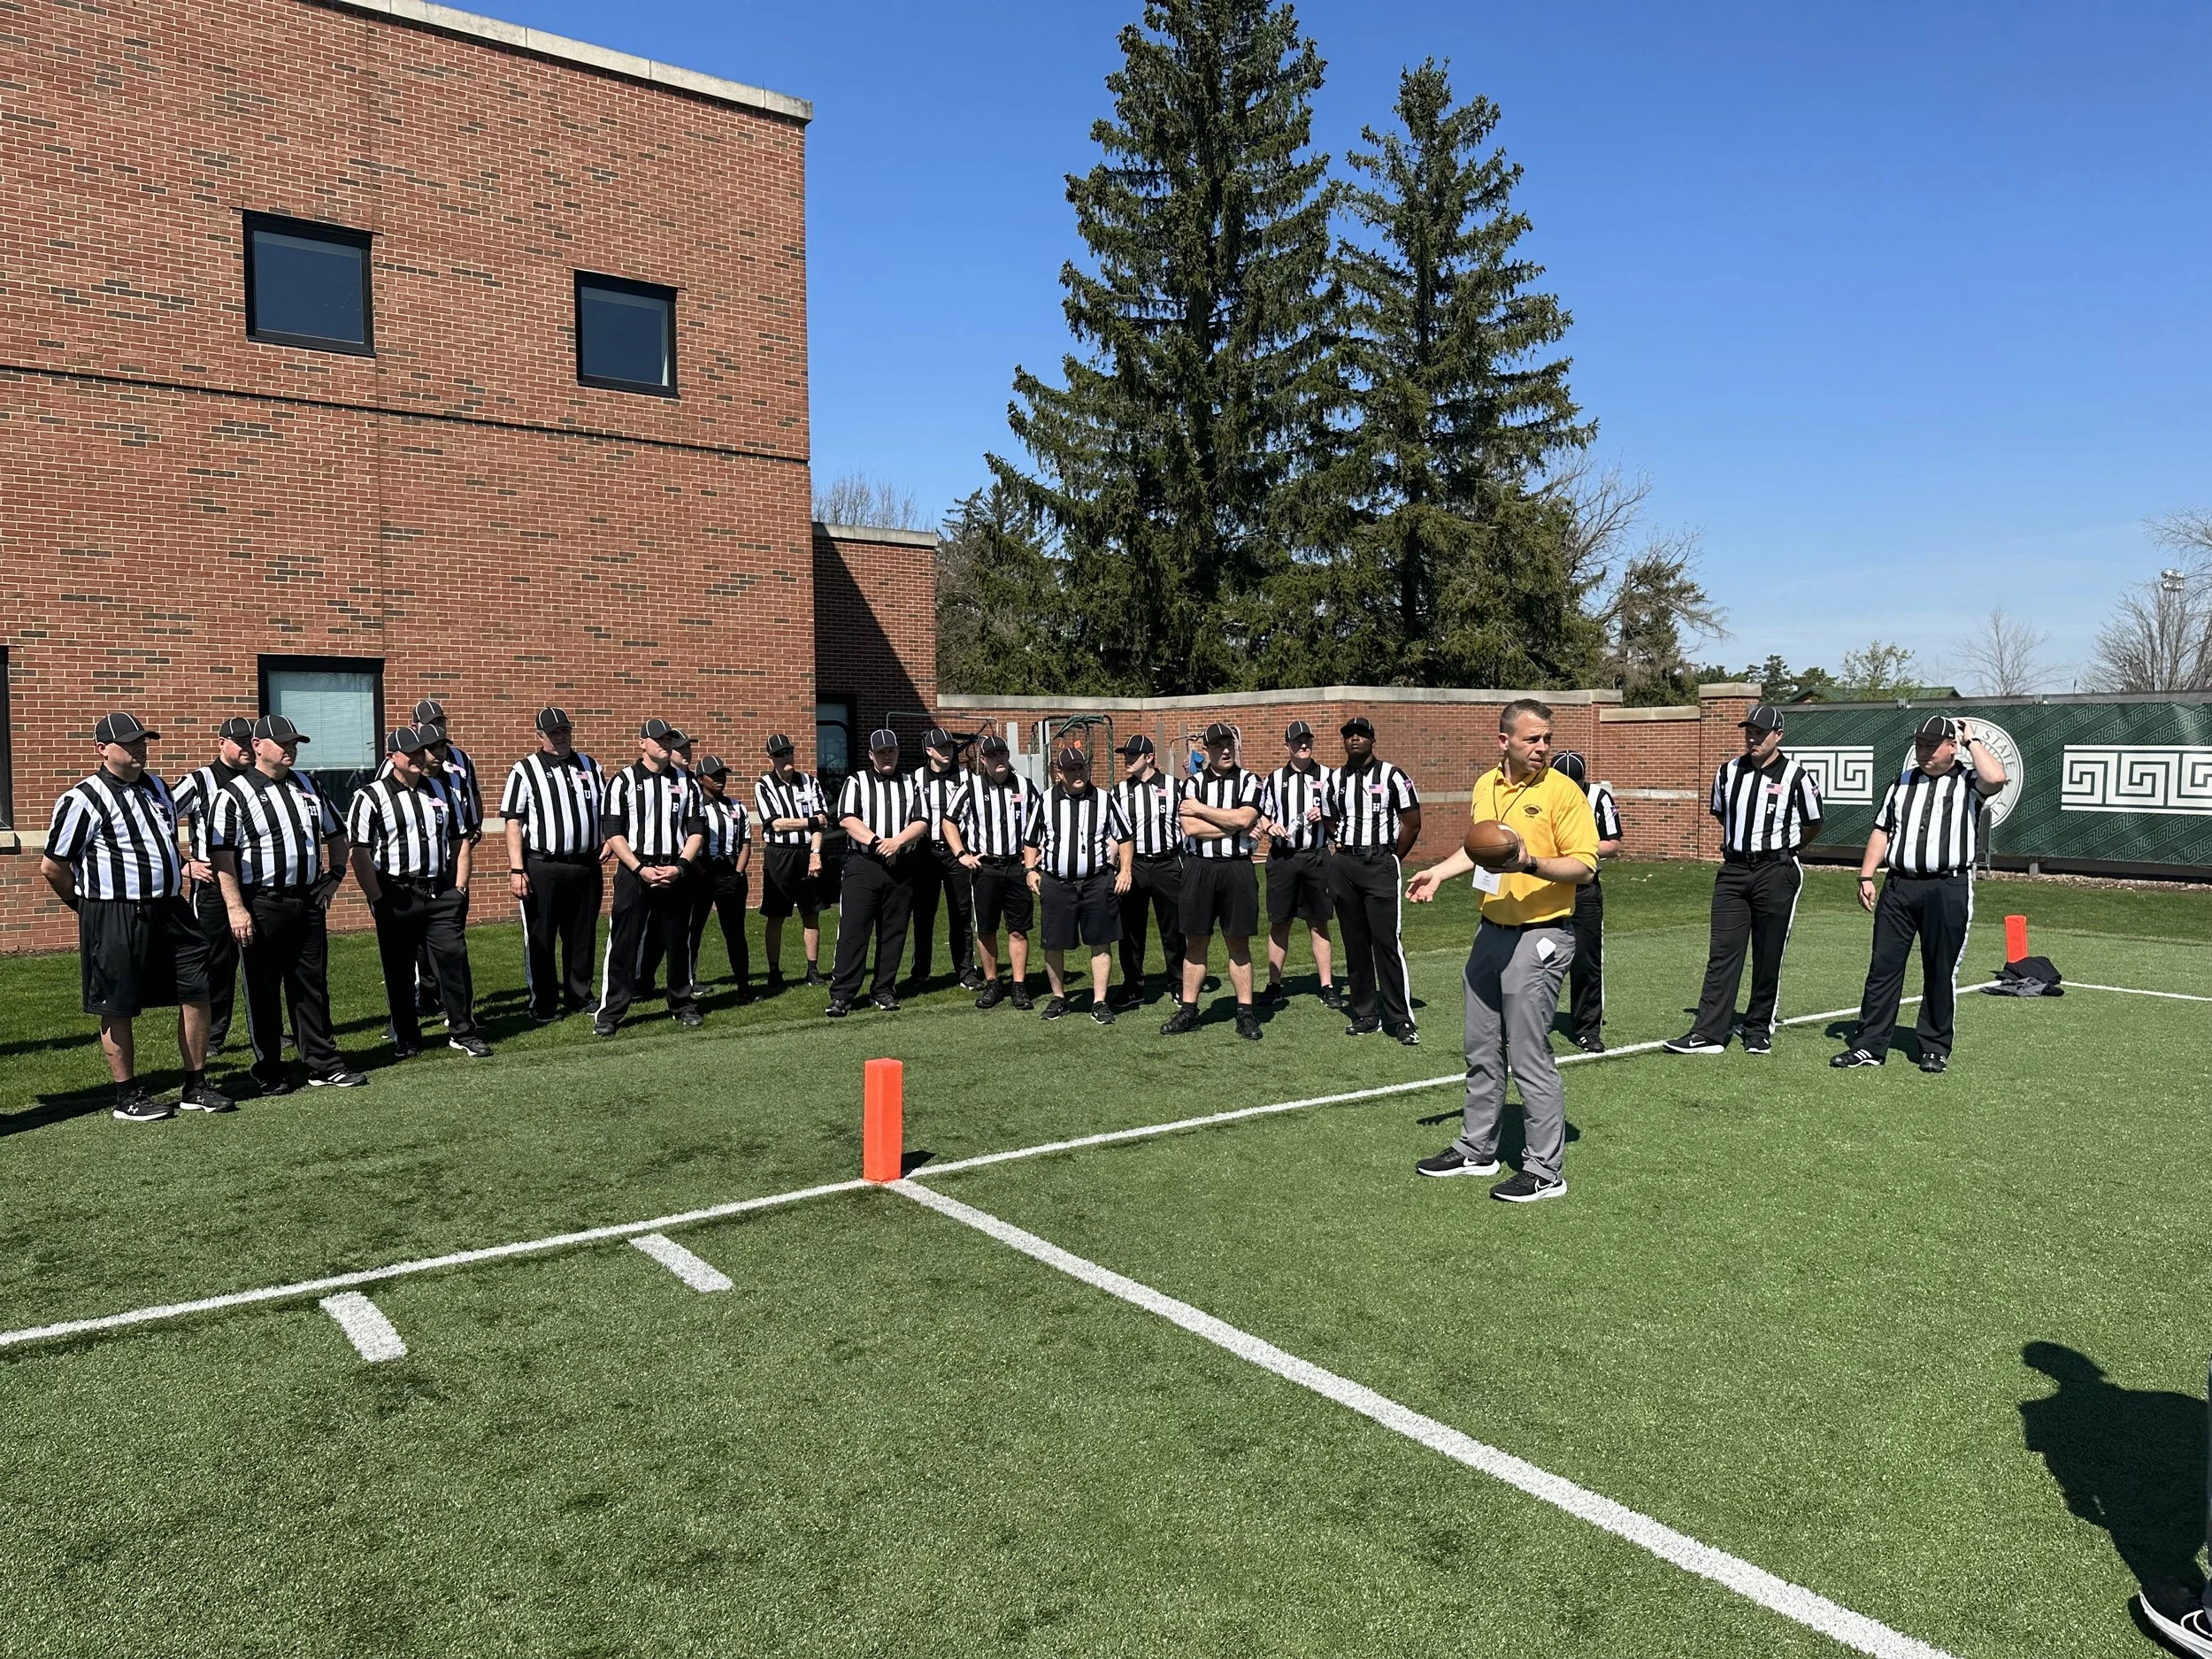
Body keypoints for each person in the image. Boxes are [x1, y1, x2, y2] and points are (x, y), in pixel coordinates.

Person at [1407, 698, 1597, 1202]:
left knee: (1529, 1053)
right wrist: (1439, 874)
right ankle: (1477, 1148)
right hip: (1491, 929)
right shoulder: (1485, 786)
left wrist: (1530, 862)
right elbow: (1480, 849)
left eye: (1547, 739)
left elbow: (1585, 866)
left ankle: (1544, 1170)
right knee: (1481, 1046)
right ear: (1504, 741)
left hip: (1542, 933)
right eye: (1532, 739)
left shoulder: (1564, 792)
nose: (1542, 748)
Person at [39, 712, 228, 1123]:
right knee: (118, 1002)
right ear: (102, 749)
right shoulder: (82, 799)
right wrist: (86, 908)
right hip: (113, 911)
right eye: (129, 742)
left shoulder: (159, 787)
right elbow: (54, 866)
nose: (139, 748)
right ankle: (128, 1096)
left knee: (197, 989)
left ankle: (196, 1085)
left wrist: (181, 865)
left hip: (169, 908)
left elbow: (158, 841)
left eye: (143, 740)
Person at [1833, 715, 2007, 1073]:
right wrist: (1867, 875)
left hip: (1947, 886)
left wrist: (1972, 741)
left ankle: (1934, 1046)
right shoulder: (1901, 783)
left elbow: (1996, 777)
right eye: (1920, 745)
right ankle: (1869, 1045)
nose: (1924, 752)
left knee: (1939, 968)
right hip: (1899, 886)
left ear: (1951, 746)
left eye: (1932, 745)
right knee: (1883, 967)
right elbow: (1882, 830)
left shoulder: (1968, 781)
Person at [209, 714, 359, 1095]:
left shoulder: (309, 786)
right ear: (258, 746)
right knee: (262, 987)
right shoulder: (234, 794)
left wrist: (337, 875)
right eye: (284, 743)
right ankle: (269, 1068)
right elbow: (222, 857)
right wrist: (235, 908)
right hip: (263, 902)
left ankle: (323, 1063)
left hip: (307, 900)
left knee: (311, 984)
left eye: (294, 744)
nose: (291, 750)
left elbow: (338, 833)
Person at [1663, 703, 1825, 1057]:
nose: (1753, 737)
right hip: (1734, 870)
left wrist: (1784, 848)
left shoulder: (1796, 776)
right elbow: (1724, 815)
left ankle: (1757, 1027)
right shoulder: (1727, 772)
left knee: (1768, 953)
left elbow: (1814, 822)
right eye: (1749, 731)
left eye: (1760, 732)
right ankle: (1708, 1032)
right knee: (1723, 952)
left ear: (1778, 736)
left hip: (1777, 870)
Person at [349, 725, 493, 1060]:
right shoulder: (369, 797)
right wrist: (377, 898)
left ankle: (463, 1031)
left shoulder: (442, 790)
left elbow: (460, 841)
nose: (419, 757)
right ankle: (407, 1035)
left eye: (422, 751)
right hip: (396, 892)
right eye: (411, 752)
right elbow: (360, 852)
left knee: (453, 961)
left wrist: (458, 888)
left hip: (440, 891)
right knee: (399, 969)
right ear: (391, 757)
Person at [594, 718, 707, 1034]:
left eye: (669, 739)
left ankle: (682, 1004)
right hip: (635, 870)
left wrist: (680, 866)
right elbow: (613, 833)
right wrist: (640, 869)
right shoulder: (623, 781)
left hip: (674, 869)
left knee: (677, 942)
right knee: (624, 942)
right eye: (658, 739)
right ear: (642, 742)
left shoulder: (687, 782)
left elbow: (696, 830)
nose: (665, 744)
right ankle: (612, 1011)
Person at [499, 707, 605, 1025]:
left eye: (565, 730)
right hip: (543, 864)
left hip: (586, 864)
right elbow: (513, 822)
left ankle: (579, 995)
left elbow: (609, 810)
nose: (561, 736)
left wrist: (610, 841)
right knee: (541, 935)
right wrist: (517, 869)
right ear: (540, 736)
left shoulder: (591, 766)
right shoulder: (524, 770)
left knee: (582, 935)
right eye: (554, 732)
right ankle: (543, 1001)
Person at [1162, 721, 1266, 1041]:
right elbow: (1190, 829)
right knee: (1195, 941)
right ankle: (1189, 1011)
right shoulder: (1191, 784)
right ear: (1205, 751)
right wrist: (1234, 826)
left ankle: (1245, 1013)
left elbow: (1246, 818)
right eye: (1217, 746)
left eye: (1228, 744)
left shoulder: (1250, 780)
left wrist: (1207, 812)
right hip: (1199, 868)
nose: (1225, 750)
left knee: (1238, 942)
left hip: (1237, 868)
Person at [1326, 716, 1423, 1044]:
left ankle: (1400, 1018)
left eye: (1362, 734)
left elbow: (1412, 822)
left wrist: (1392, 855)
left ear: (1372, 740)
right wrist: (1341, 845)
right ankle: (1366, 1013)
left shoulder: (1393, 776)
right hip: (1345, 865)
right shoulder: (1335, 779)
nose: (1355, 739)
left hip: (1380, 862)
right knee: (1354, 943)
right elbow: (1328, 817)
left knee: (1386, 942)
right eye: (1349, 735)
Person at [390, 699, 483, 1024]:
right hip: (412, 869)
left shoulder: (460, 759)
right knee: (414, 948)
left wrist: (472, 832)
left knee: (451, 941)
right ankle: (420, 1002)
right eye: (430, 723)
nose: (437, 729)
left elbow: (471, 801)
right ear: (414, 725)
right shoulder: (401, 761)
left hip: (450, 863)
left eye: (441, 722)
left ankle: (459, 1012)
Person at [1025, 746, 1133, 1024]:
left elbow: (1125, 837)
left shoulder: (1104, 799)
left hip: (1097, 881)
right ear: (1058, 773)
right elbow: (1031, 840)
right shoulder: (1046, 800)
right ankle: (1058, 998)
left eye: (1081, 767)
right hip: (1057, 883)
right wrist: (1029, 870)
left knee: (1101, 942)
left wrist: (1126, 871)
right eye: (1071, 769)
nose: (1078, 773)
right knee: (1054, 943)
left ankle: (1099, 1001)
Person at [826, 728, 926, 1017]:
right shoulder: (856, 781)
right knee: (853, 931)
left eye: (891, 751)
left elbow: (921, 821)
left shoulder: (910, 783)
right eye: (881, 751)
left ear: (897, 752)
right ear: (871, 755)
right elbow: (846, 818)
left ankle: (883, 990)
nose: (887, 756)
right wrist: (878, 843)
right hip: (864, 864)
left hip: (902, 865)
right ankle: (842, 995)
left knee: (894, 932)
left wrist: (897, 843)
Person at [172, 716, 256, 1051]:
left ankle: (264, 1030)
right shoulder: (200, 780)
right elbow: (159, 818)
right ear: (221, 743)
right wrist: (184, 865)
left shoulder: (259, 778)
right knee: (216, 963)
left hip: (253, 881)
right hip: (212, 887)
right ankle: (213, 1037)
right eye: (240, 742)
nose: (248, 748)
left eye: (252, 742)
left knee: (260, 964)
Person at [1259, 719, 1340, 1012]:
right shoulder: (1274, 779)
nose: (1303, 745)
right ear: (1287, 746)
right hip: (1283, 858)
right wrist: (1270, 828)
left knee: (1318, 923)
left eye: (1307, 740)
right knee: (1280, 922)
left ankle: (1327, 985)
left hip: (1317, 856)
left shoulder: (1330, 777)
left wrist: (1326, 816)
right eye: (1297, 741)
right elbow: (1262, 815)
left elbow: (1342, 815)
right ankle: (1274, 984)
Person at [956, 733, 1039, 1010]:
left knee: (1018, 929)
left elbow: (1043, 821)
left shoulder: (1026, 786)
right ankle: (992, 982)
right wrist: (961, 854)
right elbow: (948, 821)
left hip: (1018, 866)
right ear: (983, 760)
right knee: (987, 928)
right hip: (987, 866)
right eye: (992, 755)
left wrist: (1035, 857)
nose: (999, 759)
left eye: (1002, 753)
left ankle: (1019, 985)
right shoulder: (971, 787)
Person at [1549, 751, 1623, 1054]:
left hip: (1583, 887)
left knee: (1586, 962)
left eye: (1575, 784)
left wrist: (1579, 849)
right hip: (1546, 885)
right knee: (1538, 959)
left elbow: (1614, 843)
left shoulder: (1598, 798)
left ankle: (1587, 1029)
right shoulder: (1540, 794)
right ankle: (1527, 1024)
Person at [1108, 733, 1183, 1009]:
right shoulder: (1118, 792)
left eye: (1132, 755)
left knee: (1173, 928)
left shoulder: (1176, 787)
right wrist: (1112, 867)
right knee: (1130, 930)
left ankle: (1178, 983)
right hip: (1134, 865)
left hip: (1167, 863)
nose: (1127, 760)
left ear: (1150, 757)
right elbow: (1113, 834)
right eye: (1125, 755)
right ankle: (1133, 986)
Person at [752, 733, 828, 989]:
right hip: (779, 854)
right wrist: (810, 822)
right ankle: (774, 970)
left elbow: (822, 823)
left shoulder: (809, 782)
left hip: (807, 852)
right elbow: (775, 823)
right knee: (776, 914)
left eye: (789, 751)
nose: (787, 757)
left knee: (811, 912)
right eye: (781, 753)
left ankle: (813, 969)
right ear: (771, 757)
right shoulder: (764, 785)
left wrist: (816, 853)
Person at [906, 726, 979, 992]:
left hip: (957, 853)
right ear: (929, 751)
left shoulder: (965, 776)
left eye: (949, 747)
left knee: (961, 914)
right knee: (924, 914)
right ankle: (921, 971)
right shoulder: (915, 778)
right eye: (942, 748)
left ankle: (965, 971)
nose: (947, 752)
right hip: (925, 853)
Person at [690, 755, 754, 1001]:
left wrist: (738, 874)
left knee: (736, 932)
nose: (720, 779)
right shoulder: (693, 806)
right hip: (702, 874)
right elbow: (687, 844)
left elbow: (745, 843)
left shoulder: (737, 806)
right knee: (693, 931)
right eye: (714, 775)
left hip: (732, 874)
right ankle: (689, 982)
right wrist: (703, 875)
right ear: (700, 779)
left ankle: (744, 986)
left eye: (722, 774)